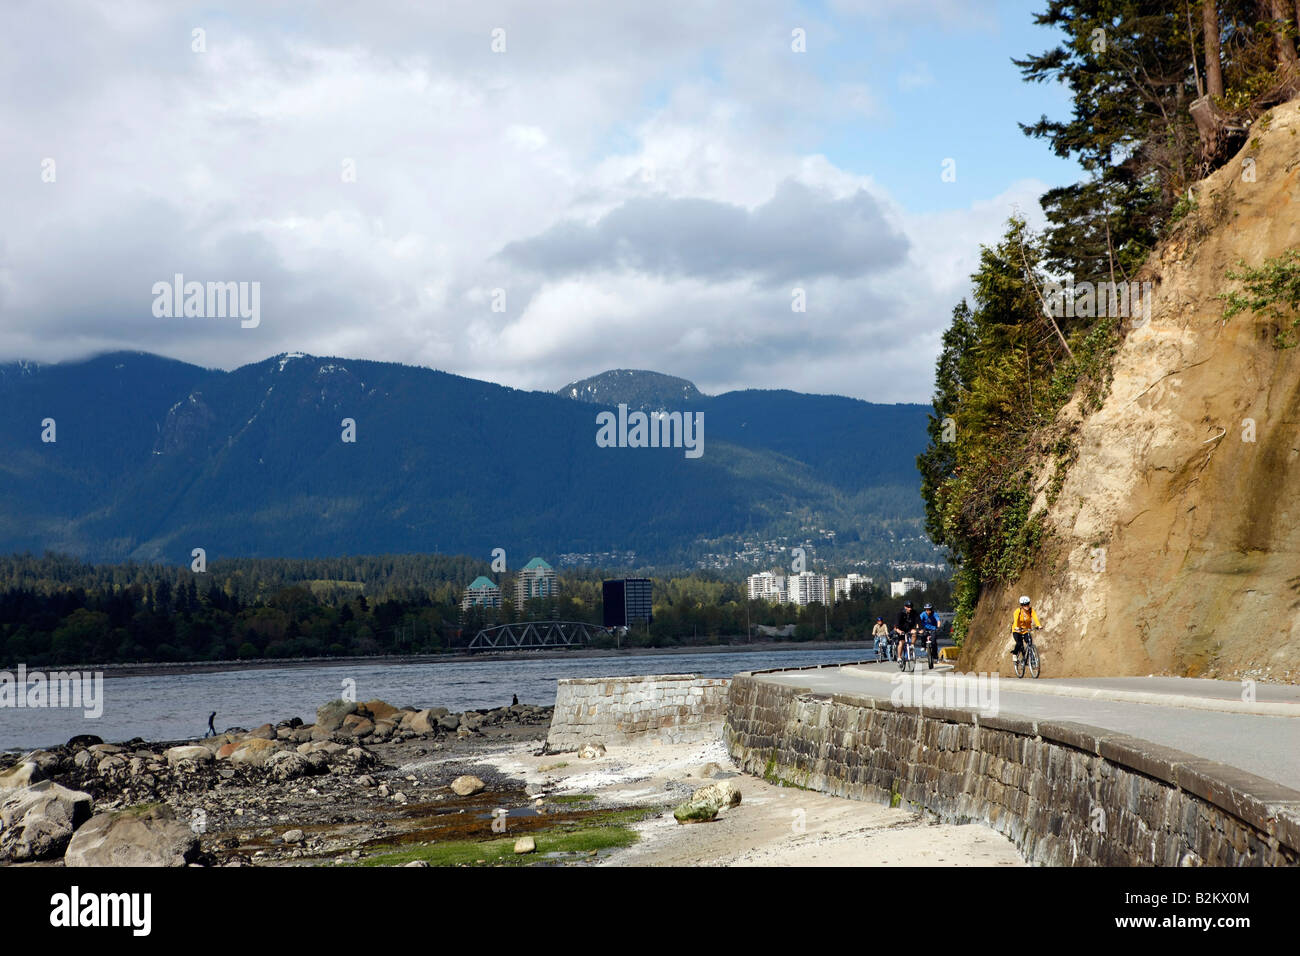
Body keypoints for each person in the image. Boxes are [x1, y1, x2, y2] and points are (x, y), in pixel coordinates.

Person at [1011, 595, 1042, 663]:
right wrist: (1016, 627)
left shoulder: (1031, 611)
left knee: (1029, 643)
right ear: (1022, 605)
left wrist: (1039, 625)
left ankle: (1030, 658)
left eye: (1027, 604)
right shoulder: (1017, 611)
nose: (1026, 606)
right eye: (1024, 605)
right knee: (1019, 643)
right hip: (1017, 630)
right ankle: (1014, 654)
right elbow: (1015, 620)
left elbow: (1035, 618)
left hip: (1026, 630)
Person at [918, 603, 940, 668]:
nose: (928, 611)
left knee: (933, 642)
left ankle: (935, 656)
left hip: (933, 629)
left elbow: (938, 620)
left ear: (931, 609)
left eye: (929, 609)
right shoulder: (923, 614)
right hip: (925, 628)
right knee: (922, 634)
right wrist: (918, 628)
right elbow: (918, 621)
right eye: (927, 610)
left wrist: (938, 627)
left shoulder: (934, 614)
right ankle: (923, 646)